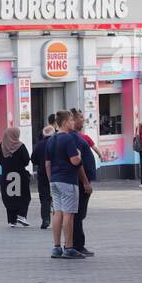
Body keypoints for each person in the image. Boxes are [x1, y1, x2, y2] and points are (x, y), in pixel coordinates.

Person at [45, 111, 83, 259]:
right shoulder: (68, 139)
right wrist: (79, 156)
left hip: (54, 180)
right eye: (72, 121)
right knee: (69, 213)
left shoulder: (51, 139)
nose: (73, 123)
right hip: (68, 180)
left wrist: (51, 180)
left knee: (57, 212)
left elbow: (47, 164)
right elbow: (74, 161)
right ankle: (69, 247)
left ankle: (56, 247)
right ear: (66, 122)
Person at [70, 110, 97, 257]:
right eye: (80, 118)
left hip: (81, 180)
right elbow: (77, 162)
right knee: (78, 213)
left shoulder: (78, 137)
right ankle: (77, 244)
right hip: (80, 181)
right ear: (72, 120)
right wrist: (85, 182)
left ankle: (76, 244)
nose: (83, 120)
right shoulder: (73, 138)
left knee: (79, 214)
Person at [0, 127, 32, 228]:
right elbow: (26, 160)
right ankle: (21, 215)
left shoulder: (2, 146)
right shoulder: (21, 146)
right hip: (20, 175)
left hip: (7, 176)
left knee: (9, 197)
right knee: (24, 195)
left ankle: (12, 219)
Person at [32, 123, 55, 229]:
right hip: (56, 173)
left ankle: (45, 219)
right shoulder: (57, 142)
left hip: (42, 174)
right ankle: (61, 219)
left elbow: (33, 159)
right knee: (59, 196)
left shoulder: (39, 145)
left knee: (44, 197)